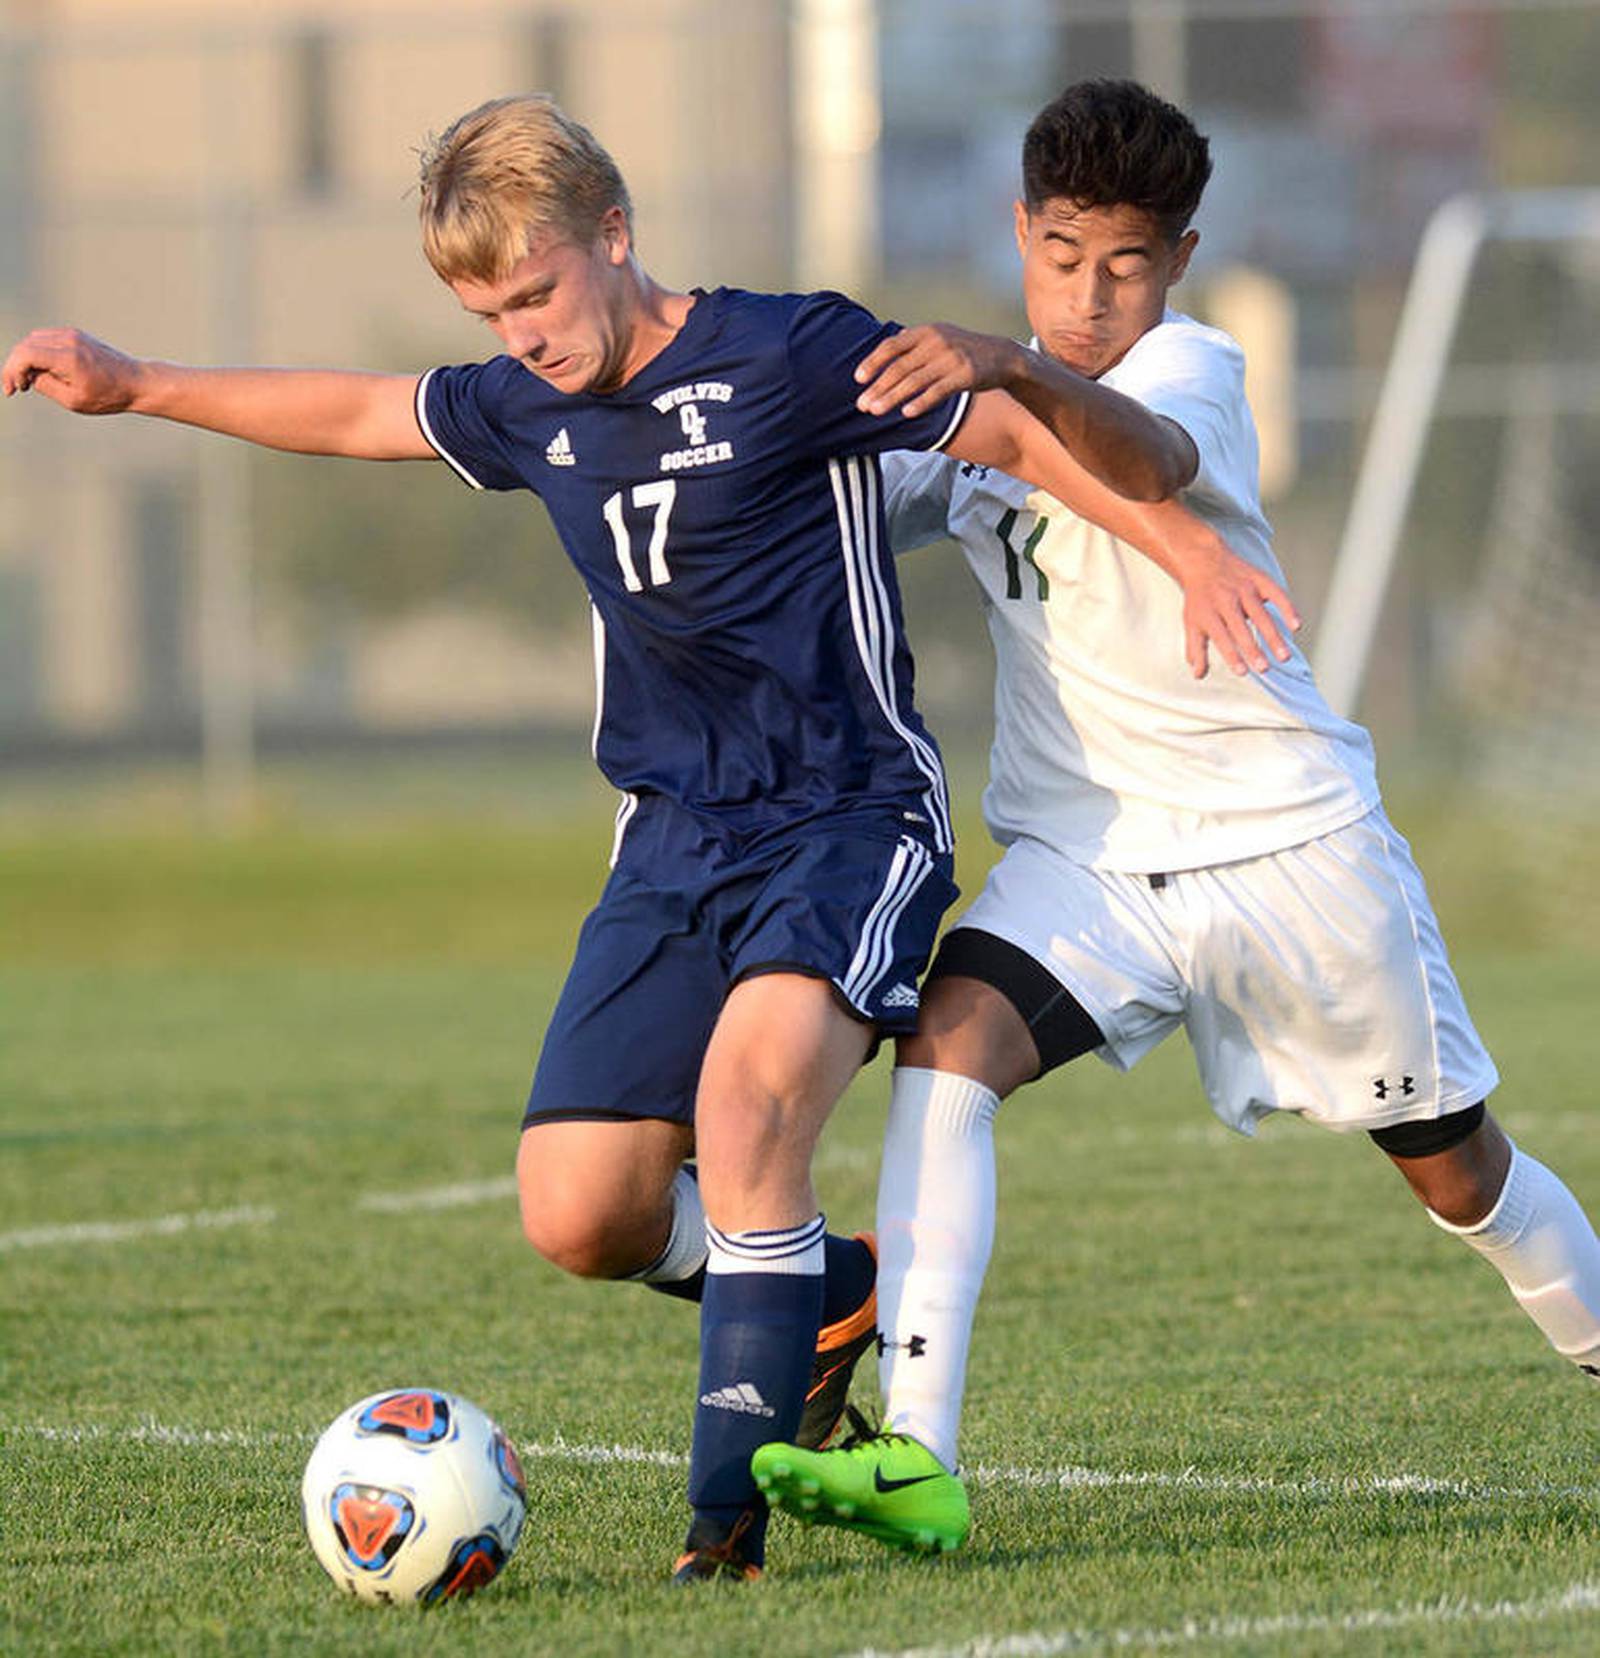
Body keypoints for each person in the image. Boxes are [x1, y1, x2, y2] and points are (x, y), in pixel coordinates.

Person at [2, 92, 1294, 1583]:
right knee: (581, 1209)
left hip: (845, 813)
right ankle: (823, 1294)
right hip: (673, 839)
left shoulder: (788, 349)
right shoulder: (524, 399)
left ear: (614, 236)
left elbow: (1003, 421)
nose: (525, 332)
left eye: (540, 292)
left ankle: (721, 1539)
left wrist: (1188, 541)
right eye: (490, 311)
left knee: (751, 1115)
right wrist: (133, 381)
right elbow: (363, 409)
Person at [752, 78, 1600, 1556]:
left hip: (1291, 851)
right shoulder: (965, 411)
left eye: (1126, 262)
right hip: (1091, 862)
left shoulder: (1191, 366)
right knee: (948, 1045)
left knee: (1457, 1171)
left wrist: (1012, 369)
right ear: (1022, 229)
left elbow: (1138, 463)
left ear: (1180, 259)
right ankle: (916, 1453)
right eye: (1064, 253)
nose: (1091, 293)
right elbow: (825, 503)